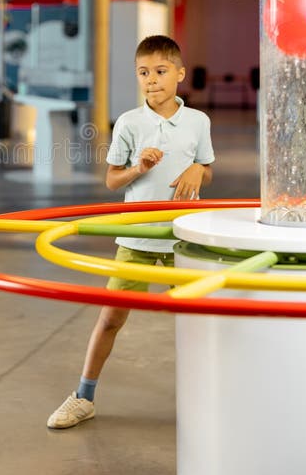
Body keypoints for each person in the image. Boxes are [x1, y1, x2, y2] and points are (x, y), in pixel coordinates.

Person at [47, 35, 214, 429]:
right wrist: (139, 168)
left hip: (181, 239)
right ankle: (83, 396)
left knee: (199, 322)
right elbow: (111, 180)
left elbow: (206, 169)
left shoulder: (198, 122)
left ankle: (213, 400)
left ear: (180, 74)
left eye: (160, 71)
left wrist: (197, 170)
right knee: (110, 320)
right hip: (137, 238)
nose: (151, 80)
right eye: (143, 72)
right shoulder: (128, 122)